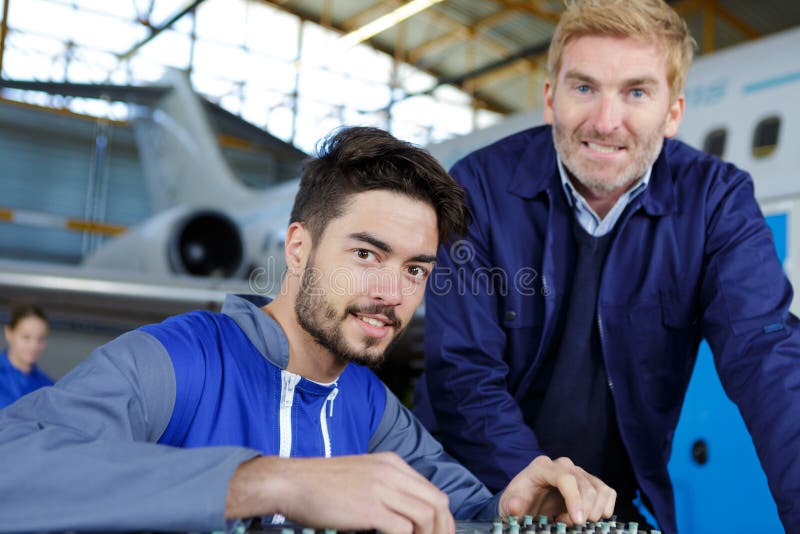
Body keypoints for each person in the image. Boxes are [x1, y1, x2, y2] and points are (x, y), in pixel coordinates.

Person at [0, 126, 615, 533]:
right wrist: (270, 482)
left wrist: (523, 512)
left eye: (416, 269)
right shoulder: (174, 364)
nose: (391, 293)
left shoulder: (375, 414)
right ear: (298, 247)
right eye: (367, 255)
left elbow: (468, 513)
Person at [414, 1, 800, 532]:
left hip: (607, 507)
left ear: (673, 113)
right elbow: (463, 373)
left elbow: (767, 356)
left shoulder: (717, 202)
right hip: (471, 492)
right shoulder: (475, 190)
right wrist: (533, 479)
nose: (605, 121)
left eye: (636, 92)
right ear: (550, 98)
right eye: (584, 87)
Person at [0, 303, 53, 409]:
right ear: (9, 333)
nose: (34, 346)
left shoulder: (48, 387)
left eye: (40, 339)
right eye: (26, 337)